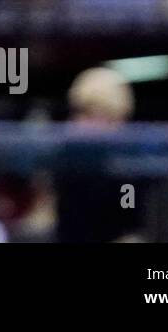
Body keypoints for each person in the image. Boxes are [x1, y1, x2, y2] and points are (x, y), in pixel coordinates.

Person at [54, 68, 146, 243]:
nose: (81, 123)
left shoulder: (129, 171)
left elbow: (129, 221)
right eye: (80, 113)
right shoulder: (65, 159)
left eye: (95, 115)